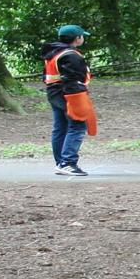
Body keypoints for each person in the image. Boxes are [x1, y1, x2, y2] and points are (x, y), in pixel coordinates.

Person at [42, 24, 95, 176]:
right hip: (69, 94)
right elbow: (73, 79)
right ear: (77, 39)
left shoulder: (53, 53)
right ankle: (68, 163)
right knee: (77, 126)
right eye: (82, 36)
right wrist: (78, 99)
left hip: (54, 93)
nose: (83, 38)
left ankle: (60, 162)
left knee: (60, 127)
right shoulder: (71, 55)